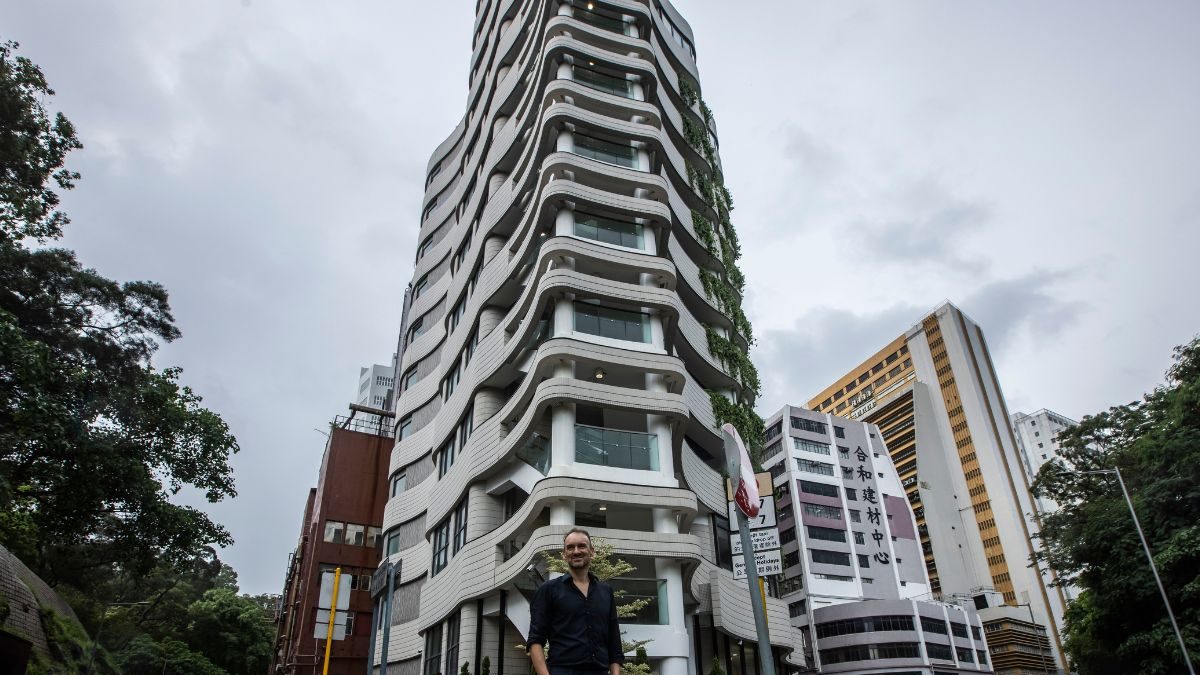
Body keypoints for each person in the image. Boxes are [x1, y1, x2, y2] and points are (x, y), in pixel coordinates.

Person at [527, 528, 625, 675]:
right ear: (564, 554)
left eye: (582, 546)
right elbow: (535, 641)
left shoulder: (606, 591)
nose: (576, 551)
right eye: (570, 547)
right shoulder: (548, 590)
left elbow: (614, 641)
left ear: (592, 551)